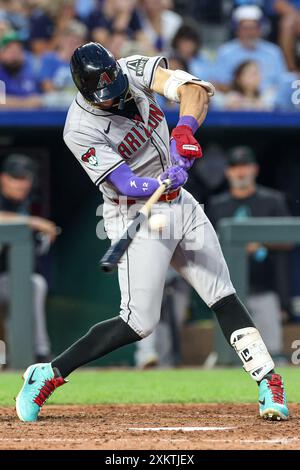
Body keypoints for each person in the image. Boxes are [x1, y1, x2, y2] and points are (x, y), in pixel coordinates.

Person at [15, 42, 288, 423]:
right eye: (105, 97)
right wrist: (159, 181)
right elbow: (124, 182)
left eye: (117, 88)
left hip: (179, 203)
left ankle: (268, 381)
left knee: (222, 293)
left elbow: (195, 91)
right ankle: (47, 374)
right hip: (134, 214)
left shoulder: (134, 69)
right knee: (138, 323)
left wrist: (184, 131)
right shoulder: (78, 128)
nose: (116, 99)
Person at [207, 146, 291, 360]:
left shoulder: (272, 200)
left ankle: (271, 391)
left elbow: (289, 239)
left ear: (254, 169)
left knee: (271, 352)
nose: (240, 172)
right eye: (235, 167)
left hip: (265, 287)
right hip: (228, 292)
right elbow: (206, 245)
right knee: (229, 354)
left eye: (244, 166)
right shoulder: (217, 205)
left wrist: (259, 242)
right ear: (228, 172)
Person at [0, 154, 58, 362]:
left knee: (34, 284)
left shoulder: (26, 202)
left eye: (25, 178)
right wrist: (33, 221)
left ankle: (40, 353)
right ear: (3, 178)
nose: (21, 184)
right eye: (16, 178)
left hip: (9, 279)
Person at [213, 5, 287, 93]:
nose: (249, 33)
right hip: (234, 99)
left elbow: (282, 82)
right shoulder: (225, 51)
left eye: (253, 28)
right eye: (245, 28)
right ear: (237, 30)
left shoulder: (274, 51)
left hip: (269, 100)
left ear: (260, 29)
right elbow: (218, 82)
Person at [39, 20, 86, 108]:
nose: (72, 42)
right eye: (69, 37)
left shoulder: (85, 63)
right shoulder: (49, 59)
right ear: (61, 39)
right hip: (56, 102)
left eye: (77, 39)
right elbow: (47, 86)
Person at [0, 31, 42, 109]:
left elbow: (36, 100)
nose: (15, 54)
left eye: (18, 49)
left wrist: (11, 101)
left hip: (29, 119)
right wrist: (25, 103)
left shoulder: (28, 71)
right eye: (11, 50)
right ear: (2, 53)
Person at [274, 0, 300, 71]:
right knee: (287, 24)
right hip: (293, 17)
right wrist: (297, 17)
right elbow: (278, 4)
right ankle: (291, 69)